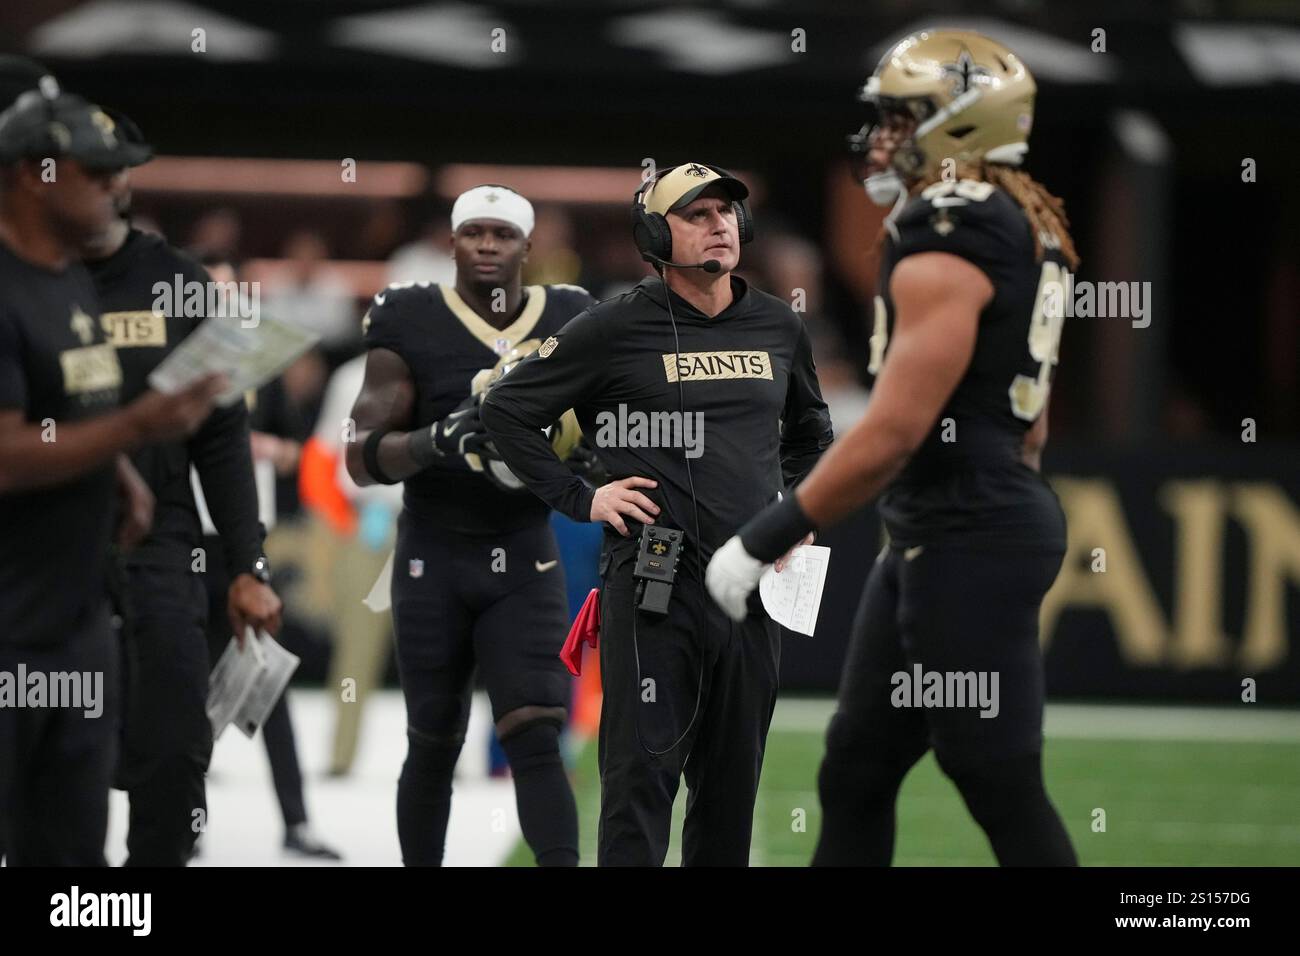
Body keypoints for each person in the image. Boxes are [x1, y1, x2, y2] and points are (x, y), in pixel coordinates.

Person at [704, 30, 1080, 866]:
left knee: (994, 774)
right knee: (858, 768)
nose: (879, 138)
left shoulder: (952, 228)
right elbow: (1034, 429)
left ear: (959, 123)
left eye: (900, 118)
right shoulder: (1016, 217)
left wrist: (760, 540)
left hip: (965, 530)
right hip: (953, 524)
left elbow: (896, 429)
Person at [481, 162, 833, 866]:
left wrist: (796, 511)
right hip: (654, 584)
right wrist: (584, 498)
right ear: (653, 233)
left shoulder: (776, 324)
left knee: (730, 792)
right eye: (697, 214)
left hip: (750, 589)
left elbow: (811, 433)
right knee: (640, 785)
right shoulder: (612, 327)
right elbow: (506, 411)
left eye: (728, 213)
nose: (719, 225)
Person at [0, 89, 222, 865]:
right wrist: (134, 430)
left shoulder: (65, 279)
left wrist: (119, 469)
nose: (116, 188)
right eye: (97, 173)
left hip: (78, 613)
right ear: (33, 173)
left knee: (74, 850)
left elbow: (65, 405)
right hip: (12, 618)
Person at [346, 184, 593, 866]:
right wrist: (439, 441)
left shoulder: (570, 316)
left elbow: (610, 426)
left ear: (527, 245)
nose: (487, 244)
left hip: (524, 553)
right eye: (474, 232)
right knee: (433, 739)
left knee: (537, 734)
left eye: (502, 233)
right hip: (434, 555)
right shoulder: (411, 314)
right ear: (452, 242)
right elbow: (360, 457)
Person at [78, 112, 282, 865]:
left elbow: (223, 440)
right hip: (37, 544)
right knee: (49, 754)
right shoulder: (20, 276)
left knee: (173, 748)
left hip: (160, 542)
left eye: (116, 168)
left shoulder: (184, 285)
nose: (106, 183)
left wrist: (245, 565)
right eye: (86, 167)